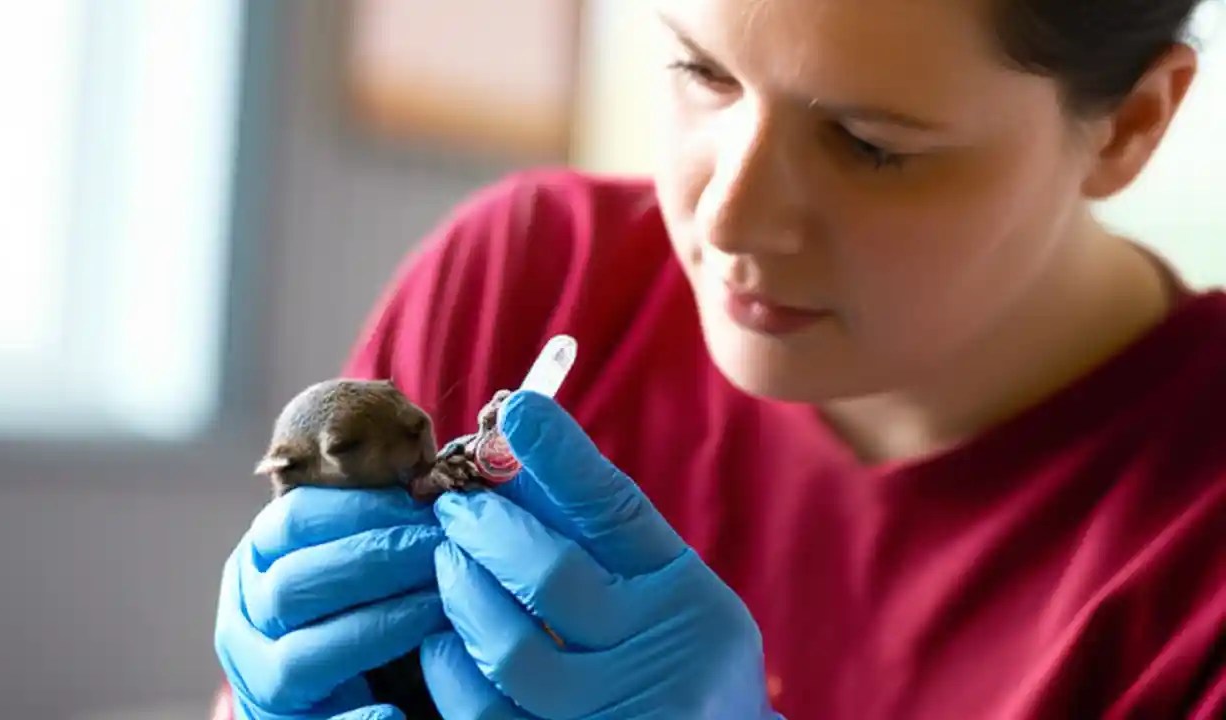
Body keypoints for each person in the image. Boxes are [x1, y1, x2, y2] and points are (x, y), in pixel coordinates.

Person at [211, 0, 1226, 717]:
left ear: (1128, 125)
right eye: (702, 72)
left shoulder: (1192, 548)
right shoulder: (524, 275)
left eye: (869, 144)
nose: (725, 218)